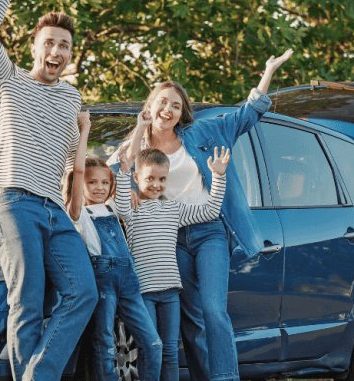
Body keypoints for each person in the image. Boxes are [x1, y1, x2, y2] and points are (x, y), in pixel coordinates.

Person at [112, 48, 292, 381]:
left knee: (212, 309)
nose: (168, 109)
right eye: (162, 102)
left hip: (208, 230)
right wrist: (138, 133)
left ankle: (225, 377)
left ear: (182, 115)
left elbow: (245, 116)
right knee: (191, 319)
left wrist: (267, 72)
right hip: (170, 239)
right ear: (150, 107)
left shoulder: (201, 134)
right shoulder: (134, 147)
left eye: (176, 106)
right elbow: (112, 176)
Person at [0, 0, 97, 381]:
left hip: (53, 209)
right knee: (26, 296)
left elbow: (68, 164)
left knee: (84, 291)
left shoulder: (71, 97)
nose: (57, 52)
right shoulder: (7, 80)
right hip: (10, 198)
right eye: (49, 43)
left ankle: (36, 376)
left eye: (64, 45)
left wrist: (85, 134)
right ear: (34, 48)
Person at [115, 117, 231, 381]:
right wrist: (126, 163)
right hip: (143, 292)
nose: (156, 184)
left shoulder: (174, 210)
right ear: (137, 178)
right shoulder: (131, 210)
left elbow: (211, 210)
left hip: (170, 294)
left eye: (162, 179)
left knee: (169, 351)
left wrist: (218, 175)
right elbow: (122, 191)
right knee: (150, 348)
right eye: (150, 178)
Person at [64, 111, 162, 381]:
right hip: (102, 281)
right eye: (92, 182)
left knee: (153, 343)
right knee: (105, 343)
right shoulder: (78, 215)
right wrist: (84, 130)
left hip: (129, 280)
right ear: (79, 184)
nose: (99, 187)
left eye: (105, 183)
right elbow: (78, 167)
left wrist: (142, 125)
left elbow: (127, 160)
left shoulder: (114, 207)